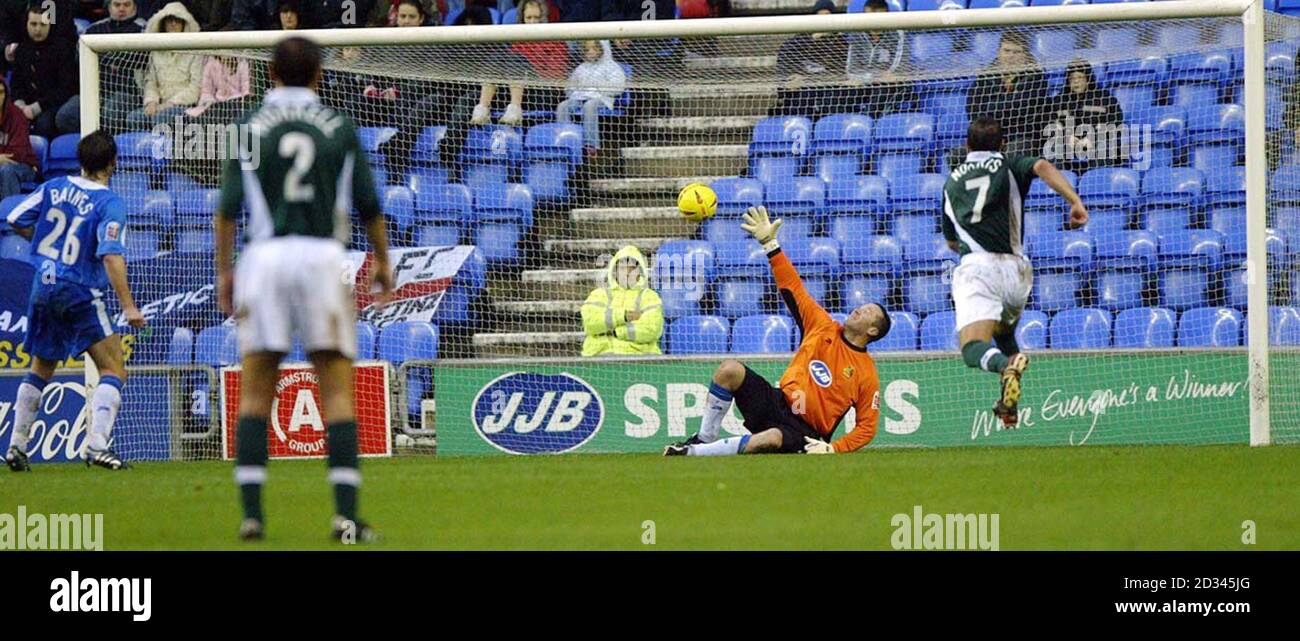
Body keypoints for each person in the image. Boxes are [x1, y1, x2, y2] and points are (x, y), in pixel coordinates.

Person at [214, 36, 394, 542]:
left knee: (255, 390)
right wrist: (381, 259)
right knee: (336, 388)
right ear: (319, 74)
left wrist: (225, 272)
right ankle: (348, 519)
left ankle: (252, 515)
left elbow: (227, 207)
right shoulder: (339, 127)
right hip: (322, 257)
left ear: (270, 73)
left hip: (264, 259)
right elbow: (368, 204)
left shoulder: (247, 126)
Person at [664, 206, 891, 457]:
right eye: (862, 306)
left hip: (808, 432)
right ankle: (703, 438)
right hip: (778, 402)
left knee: (770, 439)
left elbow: (867, 428)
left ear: (873, 330)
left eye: (869, 311)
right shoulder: (822, 326)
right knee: (729, 370)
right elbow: (793, 286)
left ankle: (690, 454)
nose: (860, 309)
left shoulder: (866, 373)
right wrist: (770, 244)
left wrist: (833, 447)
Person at [4, 131, 146, 472]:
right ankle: (97, 446)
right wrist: (128, 306)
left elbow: (14, 218)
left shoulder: (54, 187)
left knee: (41, 367)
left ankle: (16, 447)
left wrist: (44, 246)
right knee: (113, 367)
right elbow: (111, 257)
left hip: (44, 284)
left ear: (80, 161)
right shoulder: (109, 203)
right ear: (113, 162)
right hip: (80, 289)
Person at [941, 117, 1088, 426]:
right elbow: (1044, 167)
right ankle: (1008, 406)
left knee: (972, 350)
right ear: (1002, 144)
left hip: (979, 267)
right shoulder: (1010, 165)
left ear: (967, 146)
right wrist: (1075, 202)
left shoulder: (952, 182)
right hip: (1018, 272)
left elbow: (952, 242)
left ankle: (1006, 365)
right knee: (1004, 333)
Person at [965, 29, 1049, 157]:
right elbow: (973, 109)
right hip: (988, 137)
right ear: (999, 52)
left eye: (1016, 52)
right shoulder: (985, 77)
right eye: (1007, 51)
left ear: (1025, 55)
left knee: (1012, 153)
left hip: (1020, 137)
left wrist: (991, 109)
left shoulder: (1036, 77)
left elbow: (1023, 111)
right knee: (957, 155)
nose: (1010, 56)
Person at [126, 2, 204, 131]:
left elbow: (196, 87)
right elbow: (150, 82)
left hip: (186, 105)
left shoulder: (195, 52)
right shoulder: (156, 51)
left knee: (161, 118)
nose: (173, 24)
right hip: (159, 105)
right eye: (169, 20)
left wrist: (171, 103)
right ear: (163, 24)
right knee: (134, 118)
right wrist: (151, 102)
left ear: (184, 23)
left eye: (178, 20)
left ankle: (169, 150)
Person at [9, 4, 80, 138]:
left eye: (43, 24)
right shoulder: (22, 50)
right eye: (33, 24)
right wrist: (20, 105)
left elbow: (66, 89)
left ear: (50, 25)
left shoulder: (63, 49)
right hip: (26, 105)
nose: (38, 29)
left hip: (54, 104)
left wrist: (37, 107)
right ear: (26, 24)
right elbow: (16, 85)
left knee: (43, 125)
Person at [771, 0, 850, 119]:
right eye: (819, 18)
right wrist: (790, 79)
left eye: (827, 18)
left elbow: (843, 72)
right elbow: (785, 74)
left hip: (830, 90)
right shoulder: (794, 44)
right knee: (801, 100)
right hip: (803, 91)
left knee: (834, 100)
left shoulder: (841, 44)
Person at [1044, 58, 1123, 173]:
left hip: (1097, 140)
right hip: (1067, 142)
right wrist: (1067, 136)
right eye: (1072, 78)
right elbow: (1049, 122)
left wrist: (1092, 137)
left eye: (1080, 77)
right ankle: (1060, 185)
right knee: (1051, 147)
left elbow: (1116, 122)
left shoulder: (1105, 98)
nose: (1076, 82)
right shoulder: (1058, 100)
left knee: (1103, 146)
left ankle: (1097, 185)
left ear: (1088, 79)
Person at [580, 245, 663, 356]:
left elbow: (651, 329)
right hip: (601, 355)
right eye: (623, 268)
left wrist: (616, 332)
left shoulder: (650, 296)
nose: (628, 272)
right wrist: (624, 316)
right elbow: (590, 323)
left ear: (640, 271)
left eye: (632, 268)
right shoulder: (599, 294)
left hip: (638, 357)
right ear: (615, 271)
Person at [846, 0, 914, 119]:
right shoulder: (858, 36)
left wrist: (877, 78)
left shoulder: (898, 35)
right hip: (865, 83)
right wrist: (872, 77)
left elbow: (898, 68)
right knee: (840, 92)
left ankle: (867, 125)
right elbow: (851, 69)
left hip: (889, 86)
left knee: (882, 89)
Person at [557, 40, 624, 156]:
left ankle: (591, 145)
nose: (591, 52)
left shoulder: (611, 66)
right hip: (580, 98)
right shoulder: (580, 68)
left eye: (595, 49)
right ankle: (565, 138)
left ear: (601, 50)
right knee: (563, 106)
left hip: (601, 98)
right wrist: (576, 93)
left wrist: (597, 88)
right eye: (587, 50)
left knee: (590, 106)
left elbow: (618, 87)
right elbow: (569, 87)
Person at [0, 78, 39, 199]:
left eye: (1, 92)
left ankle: (8, 215)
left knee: (6, 170)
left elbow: (17, 153)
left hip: (24, 166)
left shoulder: (17, 115)